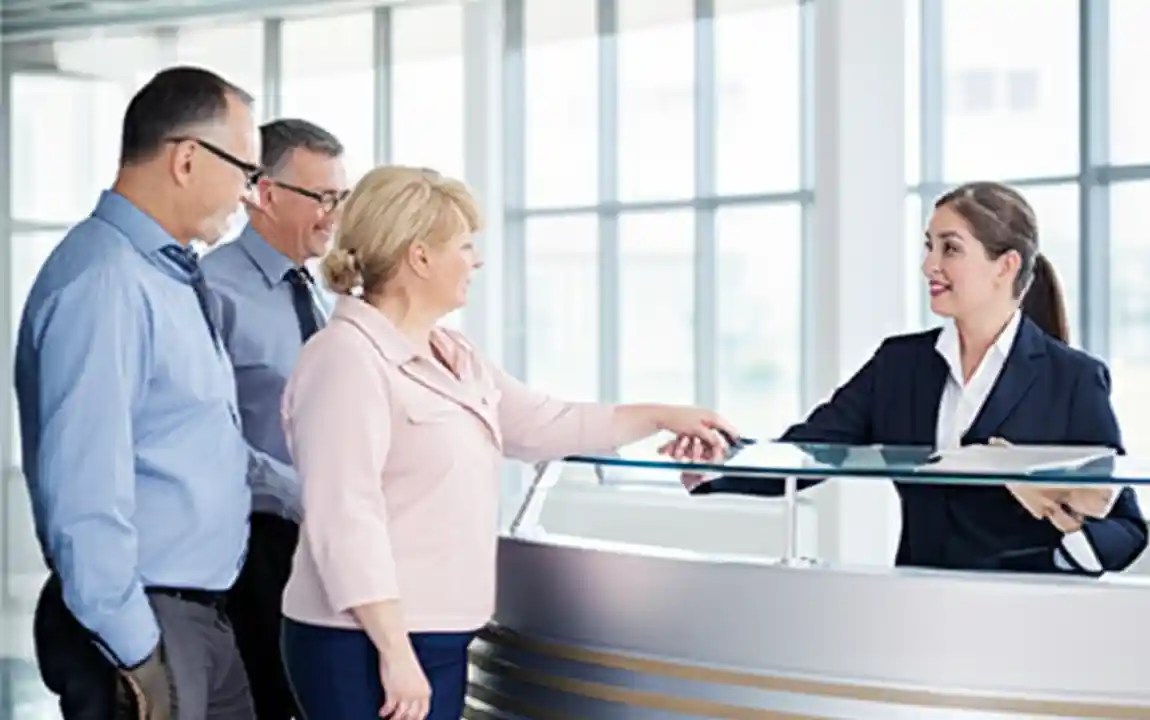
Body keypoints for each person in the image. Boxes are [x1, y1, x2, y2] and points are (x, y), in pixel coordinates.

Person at [278, 166, 736, 720]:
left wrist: (664, 415)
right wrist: (394, 650)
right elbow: (344, 515)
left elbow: (546, 423)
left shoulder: (454, 353)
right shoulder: (346, 358)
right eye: (465, 245)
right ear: (419, 257)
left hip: (438, 636)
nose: (477, 260)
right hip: (363, 641)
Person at [678, 181, 1149, 575]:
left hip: (1024, 619)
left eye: (950, 249)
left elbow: (1125, 527)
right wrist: (717, 466)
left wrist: (1066, 557)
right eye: (929, 246)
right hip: (915, 612)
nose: (929, 265)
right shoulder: (900, 366)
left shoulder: (1072, 378)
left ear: (1005, 266)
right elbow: (809, 451)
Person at [14, 66, 296, 720]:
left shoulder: (166, 278)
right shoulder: (105, 281)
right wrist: (139, 654)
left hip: (202, 618)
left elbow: (201, 449)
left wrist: (318, 500)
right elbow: (83, 495)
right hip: (144, 624)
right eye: (247, 173)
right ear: (188, 159)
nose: (250, 196)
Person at [201, 117, 348, 720]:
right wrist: (302, 493)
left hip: (323, 539)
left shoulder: (320, 293)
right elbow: (204, 438)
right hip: (254, 547)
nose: (334, 215)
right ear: (264, 193)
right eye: (323, 198)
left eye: (342, 197)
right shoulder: (212, 291)